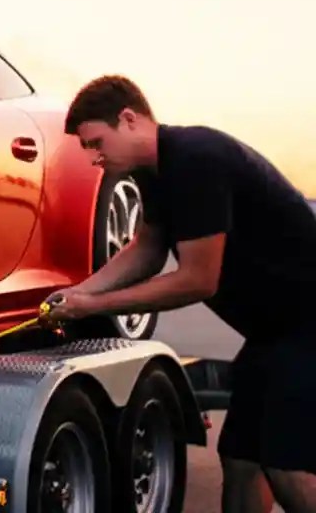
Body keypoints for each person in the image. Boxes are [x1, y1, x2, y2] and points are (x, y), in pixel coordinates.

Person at [42, 75, 316, 513]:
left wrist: (93, 305)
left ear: (128, 119)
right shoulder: (156, 172)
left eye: (96, 142)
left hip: (307, 327)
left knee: (289, 468)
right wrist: (77, 293)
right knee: (242, 460)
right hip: (273, 334)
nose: (94, 158)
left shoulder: (196, 161)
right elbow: (148, 250)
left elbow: (196, 280)